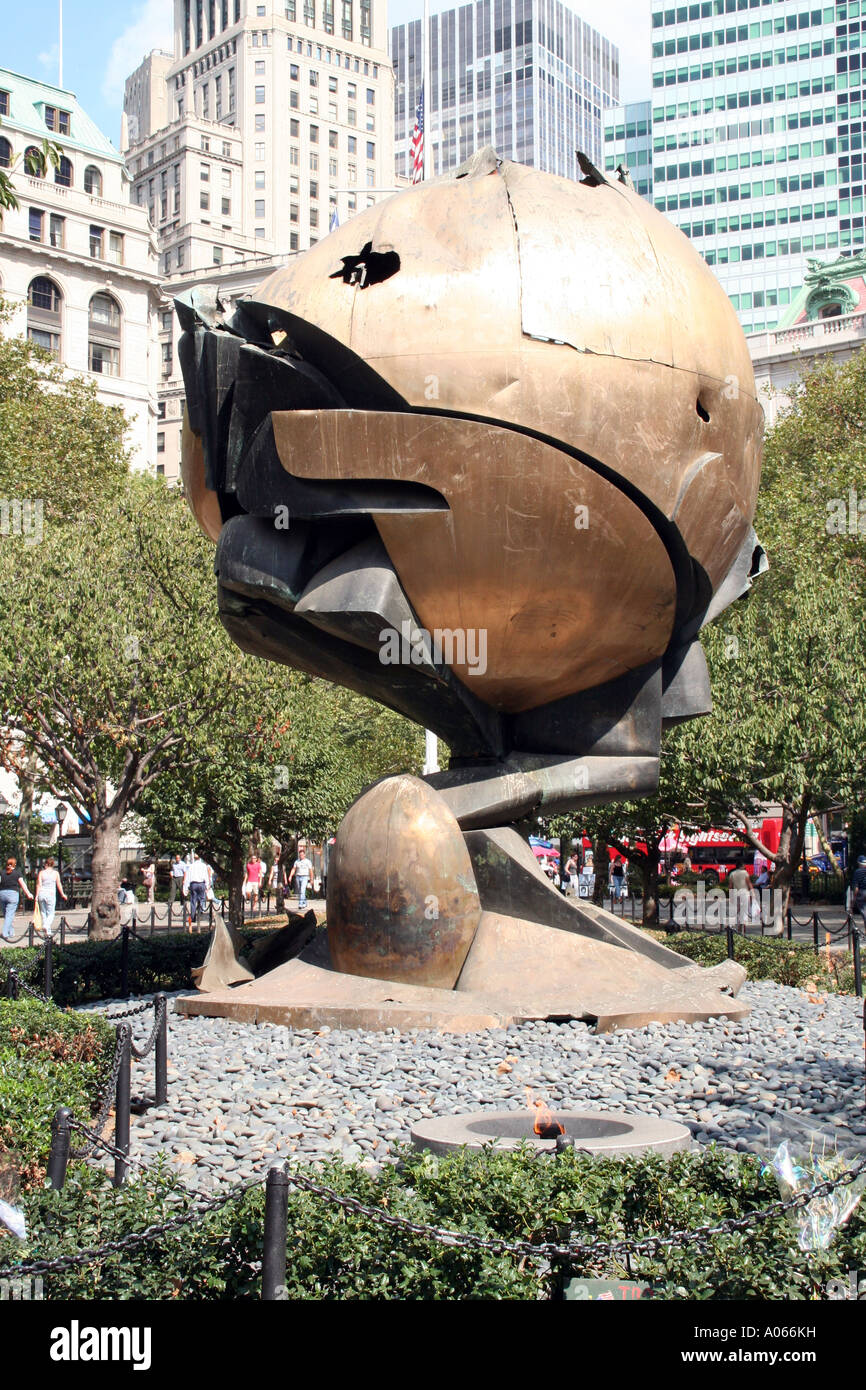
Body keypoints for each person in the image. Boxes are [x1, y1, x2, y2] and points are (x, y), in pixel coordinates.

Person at [0, 857, 33, 941]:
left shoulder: (2, 872)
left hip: (2, 894)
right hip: (13, 895)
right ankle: (5, 932)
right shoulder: (17, 873)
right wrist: (28, 893)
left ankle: (11, 932)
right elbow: (23, 885)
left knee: (6, 915)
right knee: (9, 915)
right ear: (15, 865)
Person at [35, 856, 67, 936]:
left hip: (42, 893)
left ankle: (47, 930)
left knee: (43, 912)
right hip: (51, 894)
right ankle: (46, 925)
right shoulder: (55, 873)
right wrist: (62, 894)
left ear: (46, 864)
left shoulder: (41, 873)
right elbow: (59, 884)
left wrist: (36, 895)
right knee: (51, 912)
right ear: (53, 865)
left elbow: (39, 885)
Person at [183, 850, 209, 931]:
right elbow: (206, 876)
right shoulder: (203, 866)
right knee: (201, 899)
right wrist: (207, 885)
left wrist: (186, 888)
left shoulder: (191, 866)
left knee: (193, 901)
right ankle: (200, 912)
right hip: (201, 883)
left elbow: (188, 877)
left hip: (193, 884)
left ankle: (193, 916)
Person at [727, 863, 759, 930]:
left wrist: (730, 896)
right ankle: (743, 928)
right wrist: (752, 893)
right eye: (744, 866)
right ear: (741, 866)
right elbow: (749, 883)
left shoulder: (732, 874)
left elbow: (730, 886)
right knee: (744, 911)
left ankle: (738, 927)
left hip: (736, 894)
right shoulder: (745, 873)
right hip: (744, 894)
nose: (745, 867)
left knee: (737, 911)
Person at [289, 845, 313, 909]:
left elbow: (310, 871)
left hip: (305, 877)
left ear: (304, 855)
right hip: (298, 876)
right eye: (300, 855)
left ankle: (301, 903)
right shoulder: (297, 861)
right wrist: (290, 876)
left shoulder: (308, 862)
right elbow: (294, 869)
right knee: (300, 891)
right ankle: (304, 902)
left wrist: (311, 879)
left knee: (302, 890)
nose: (301, 856)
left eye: (302, 855)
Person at [850, 854, 866, 931]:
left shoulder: (857, 872)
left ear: (859, 863)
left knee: (864, 911)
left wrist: (854, 898)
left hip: (862, 892)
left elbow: (856, 887)